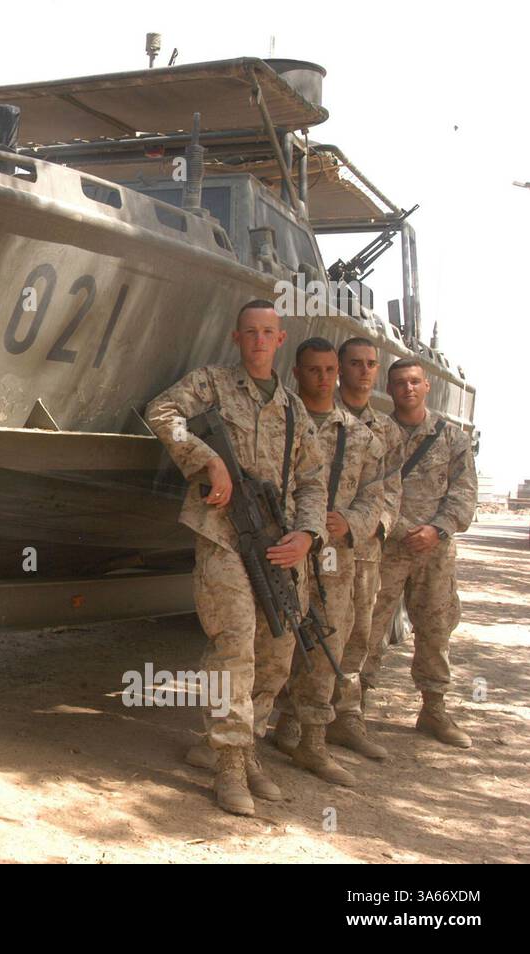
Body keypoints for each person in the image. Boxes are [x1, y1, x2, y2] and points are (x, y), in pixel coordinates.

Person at [146, 300, 325, 816]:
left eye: (269, 332)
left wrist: (309, 535)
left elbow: (312, 481)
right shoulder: (212, 384)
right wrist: (208, 461)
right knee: (235, 646)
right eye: (251, 332)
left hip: (280, 543)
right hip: (223, 536)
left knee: (278, 649)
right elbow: (162, 412)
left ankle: (248, 753)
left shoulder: (293, 409)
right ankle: (226, 764)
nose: (259, 340)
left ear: (281, 338)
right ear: (236, 338)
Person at [269, 338, 384, 786]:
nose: (323, 378)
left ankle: (312, 742)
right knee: (275, 641)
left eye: (329, 370)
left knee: (326, 643)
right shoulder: (281, 420)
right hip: (284, 546)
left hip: (334, 555)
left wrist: (348, 521)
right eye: (313, 370)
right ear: (297, 372)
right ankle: (262, 729)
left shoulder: (360, 436)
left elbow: (376, 495)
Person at [366, 358, 477, 747]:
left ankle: (433, 710)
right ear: (389, 388)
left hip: (435, 551)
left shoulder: (452, 438)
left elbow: (464, 495)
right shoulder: (375, 431)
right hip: (385, 547)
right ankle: (351, 707)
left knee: (435, 628)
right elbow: (364, 487)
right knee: (368, 627)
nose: (407, 389)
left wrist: (436, 529)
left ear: (427, 386)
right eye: (399, 383)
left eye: (414, 382)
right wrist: (395, 528)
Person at [325, 337, 403, 758]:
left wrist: (369, 528)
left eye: (372, 364)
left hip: (365, 547)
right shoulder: (318, 412)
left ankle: (347, 717)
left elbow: (391, 491)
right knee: (317, 628)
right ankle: (295, 718)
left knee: (360, 633)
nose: (364, 371)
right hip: (321, 545)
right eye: (355, 363)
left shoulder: (386, 429)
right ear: (341, 367)